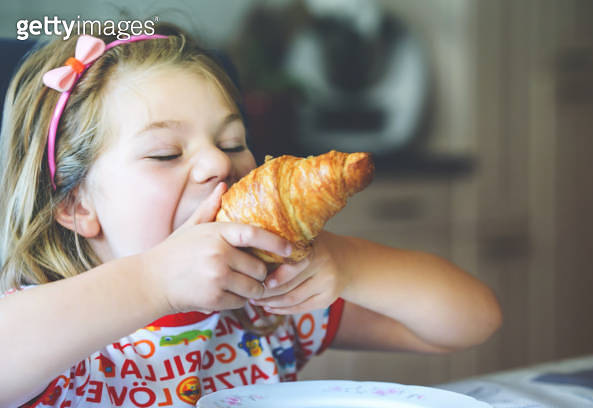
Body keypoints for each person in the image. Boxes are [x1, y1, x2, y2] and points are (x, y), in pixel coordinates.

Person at [0, 24, 502, 407]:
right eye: (165, 153)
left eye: (232, 142)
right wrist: (156, 281)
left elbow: (471, 321)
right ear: (76, 204)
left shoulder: (264, 306)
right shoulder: (54, 328)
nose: (220, 162)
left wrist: (348, 263)